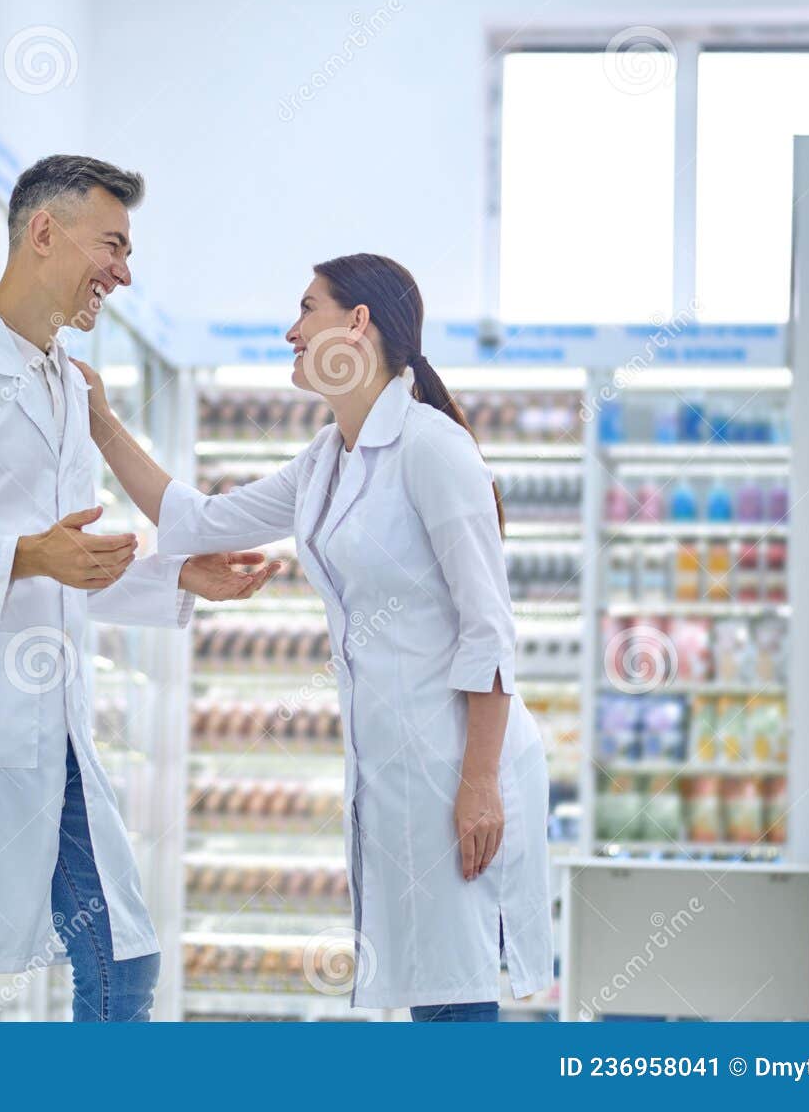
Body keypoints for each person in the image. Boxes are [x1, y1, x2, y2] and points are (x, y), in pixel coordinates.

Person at [0, 155, 279, 1022]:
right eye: (112, 245)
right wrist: (25, 557)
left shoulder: (65, 386)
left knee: (125, 962)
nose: (124, 272)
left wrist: (175, 575)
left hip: (54, 736)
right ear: (44, 233)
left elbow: (65, 566)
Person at [76, 253, 553, 1020]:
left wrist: (478, 783)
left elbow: (489, 629)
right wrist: (101, 422)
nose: (291, 330)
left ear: (357, 323)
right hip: (393, 774)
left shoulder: (433, 448)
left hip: (457, 765)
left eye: (307, 309)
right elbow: (194, 520)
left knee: (456, 1004)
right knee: (430, 995)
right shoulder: (328, 460)